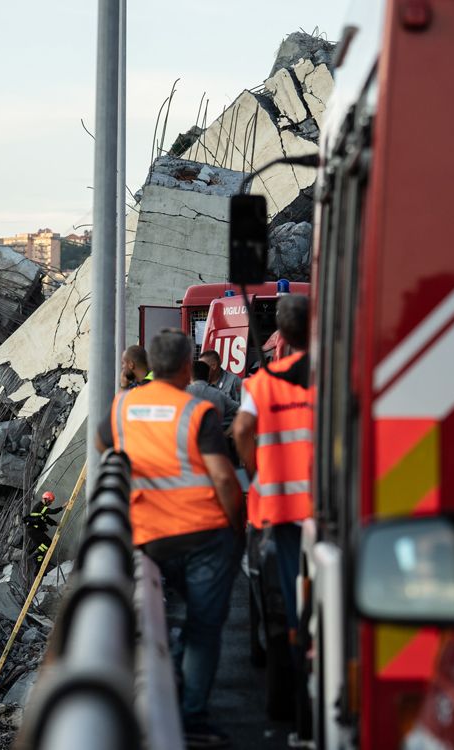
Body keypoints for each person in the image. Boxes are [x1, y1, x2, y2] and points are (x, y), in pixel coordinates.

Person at [97, 329, 243, 748]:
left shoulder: (123, 405)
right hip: (202, 535)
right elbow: (222, 479)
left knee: (169, 622)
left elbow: (104, 446)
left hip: (148, 534)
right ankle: (193, 714)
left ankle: (174, 679)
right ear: (185, 367)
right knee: (203, 625)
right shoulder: (197, 413)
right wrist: (238, 526)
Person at [232, 294, 313, 640]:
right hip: (331, 502)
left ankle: (298, 638)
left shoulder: (262, 383)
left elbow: (241, 430)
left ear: (280, 334)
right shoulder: (339, 372)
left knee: (290, 586)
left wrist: (255, 470)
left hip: (283, 505)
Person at [187, 359, 239, 430]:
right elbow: (242, 411)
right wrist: (228, 433)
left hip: (186, 437)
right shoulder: (220, 395)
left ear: (189, 375)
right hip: (214, 438)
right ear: (208, 376)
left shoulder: (181, 392)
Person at [23, 490, 62, 581]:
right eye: (50, 501)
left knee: (41, 551)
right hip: (33, 530)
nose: (50, 503)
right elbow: (52, 512)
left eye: (51, 502)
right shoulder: (40, 506)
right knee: (48, 542)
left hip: (33, 530)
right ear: (45, 499)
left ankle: (37, 571)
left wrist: (56, 524)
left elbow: (47, 518)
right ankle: (35, 554)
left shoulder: (41, 508)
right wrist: (63, 507)